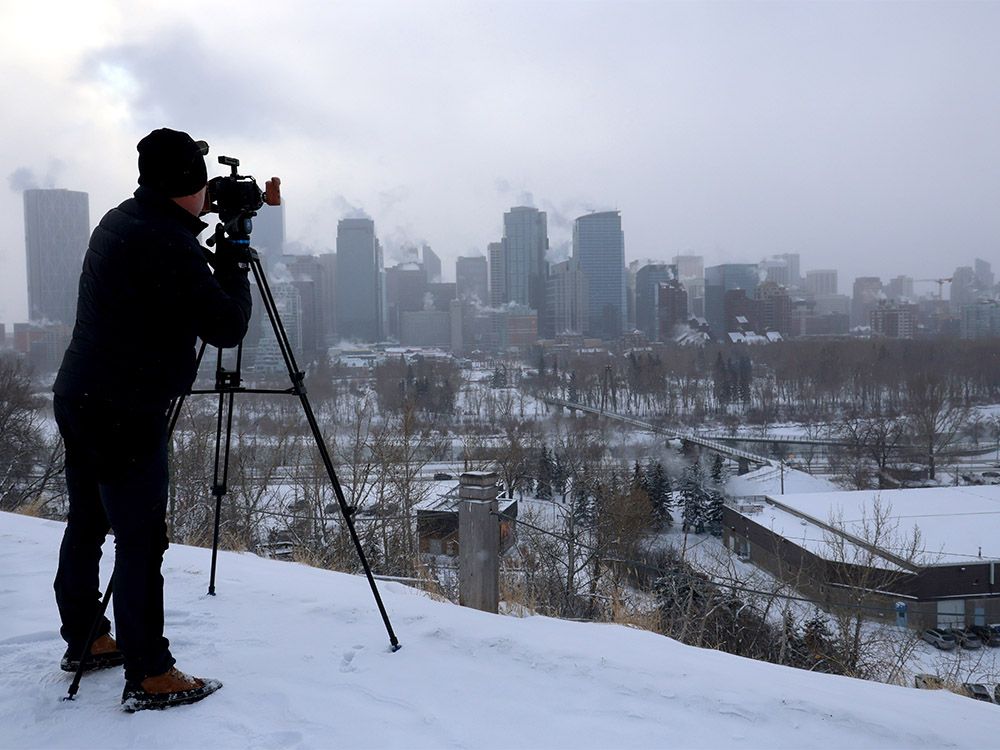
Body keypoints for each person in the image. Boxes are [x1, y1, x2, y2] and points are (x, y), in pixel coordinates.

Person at [52, 128, 251, 712]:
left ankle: (87, 640)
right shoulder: (166, 243)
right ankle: (150, 672)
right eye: (202, 181)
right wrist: (233, 255)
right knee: (141, 540)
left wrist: (202, 212)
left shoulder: (123, 219)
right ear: (186, 185)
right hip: (125, 408)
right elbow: (226, 328)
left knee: (88, 521)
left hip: (81, 394)